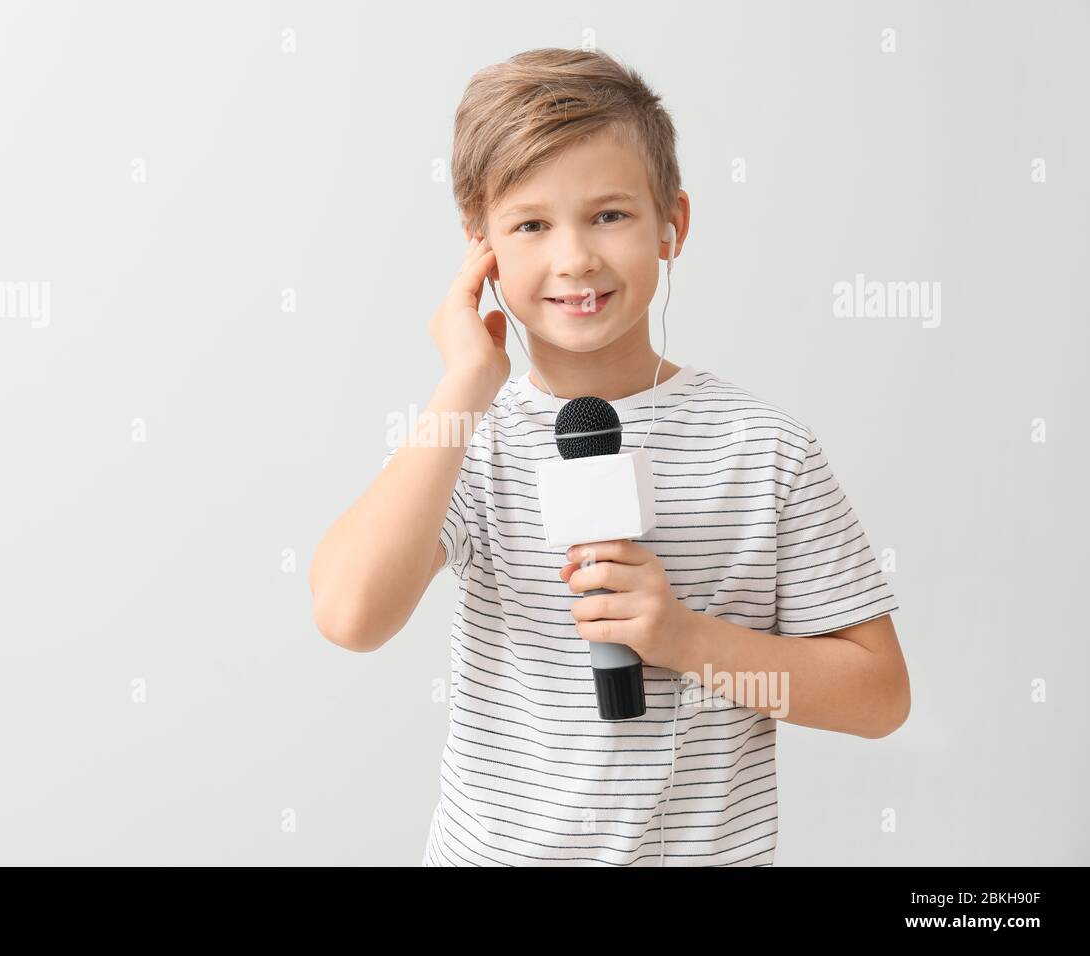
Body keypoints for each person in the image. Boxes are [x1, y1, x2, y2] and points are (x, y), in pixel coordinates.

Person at [310, 47, 909, 866]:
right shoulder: (467, 439)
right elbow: (350, 614)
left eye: (609, 215)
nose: (575, 259)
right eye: (531, 225)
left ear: (673, 225)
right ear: (481, 251)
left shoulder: (763, 447)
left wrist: (686, 638)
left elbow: (878, 698)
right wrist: (464, 382)